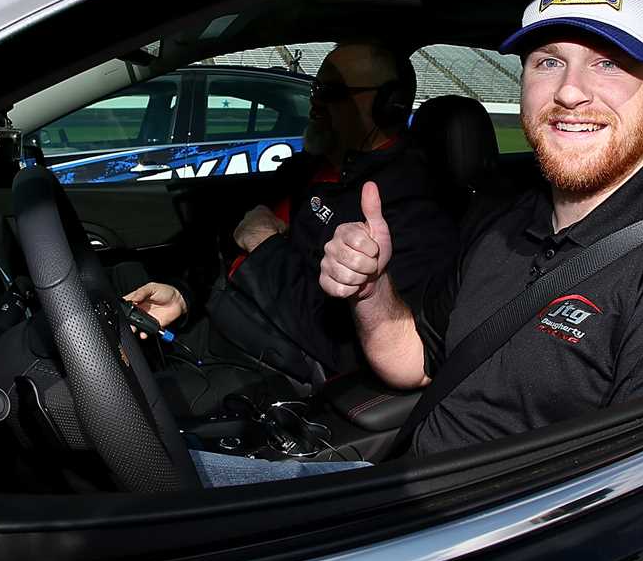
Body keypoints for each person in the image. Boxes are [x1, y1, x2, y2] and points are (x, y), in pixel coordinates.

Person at [320, 0, 643, 456]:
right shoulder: (502, 224)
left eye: (607, 64)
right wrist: (370, 288)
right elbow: (415, 359)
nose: (570, 92)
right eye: (548, 62)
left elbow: (638, 506)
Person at [124, 41, 458, 385]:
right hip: (214, 324)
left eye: (331, 90)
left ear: (389, 106)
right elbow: (233, 238)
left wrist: (265, 245)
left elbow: (349, 346)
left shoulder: (414, 210)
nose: (314, 101)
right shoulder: (311, 167)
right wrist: (185, 294)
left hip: (268, 376)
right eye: (316, 86)